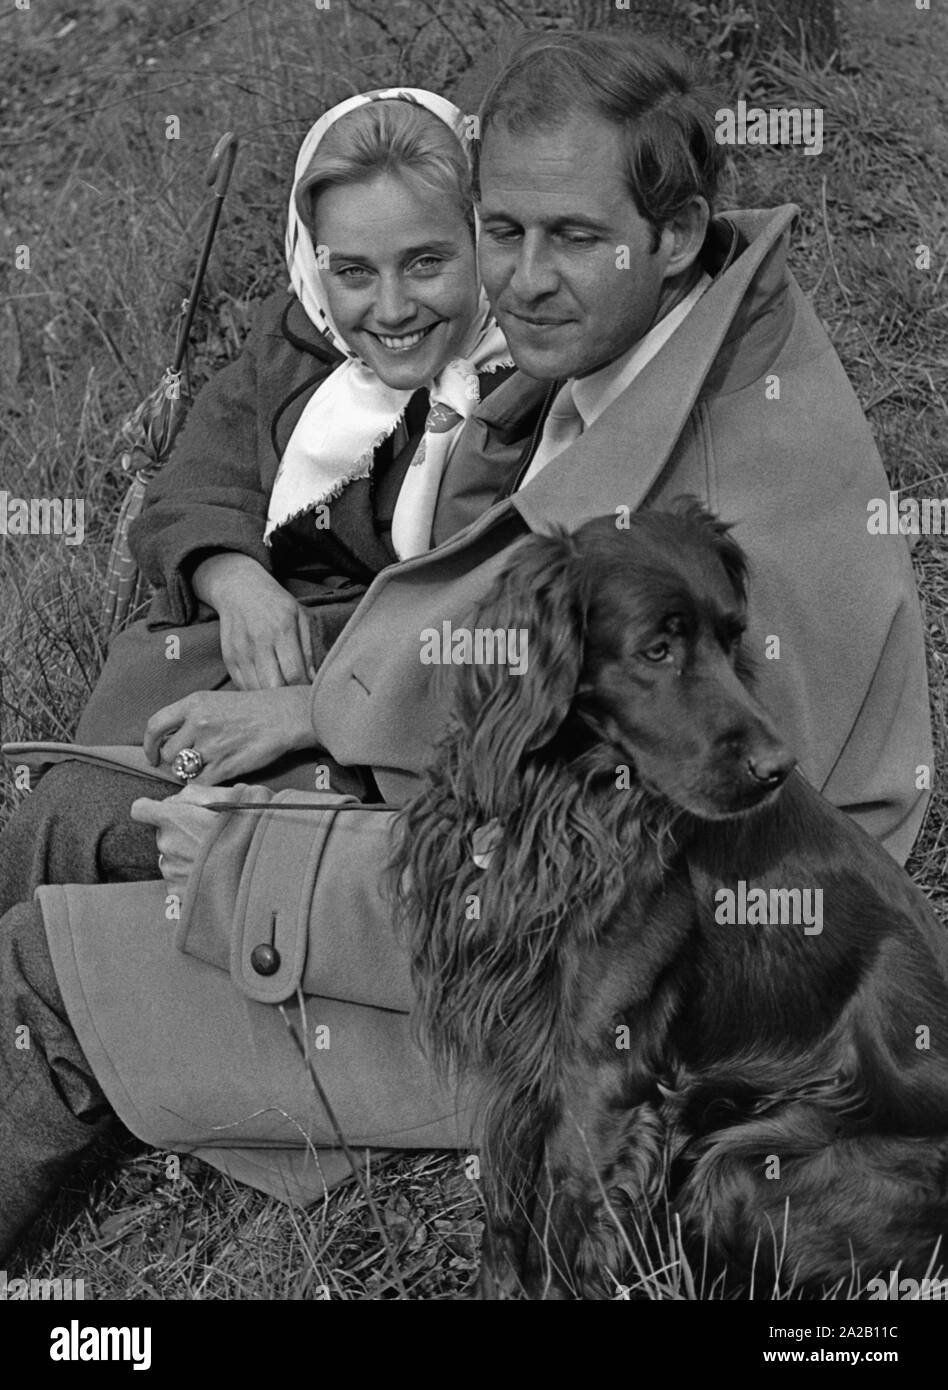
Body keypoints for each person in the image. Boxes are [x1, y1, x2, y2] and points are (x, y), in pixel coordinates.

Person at [0, 31, 933, 1261]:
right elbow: (506, 623)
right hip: (543, 846)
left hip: (658, 1012)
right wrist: (327, 707)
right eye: (504, 232)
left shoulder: (723, 485)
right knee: (67, 804)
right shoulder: (646, 346)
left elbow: (628, 899)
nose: (528, 280)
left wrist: (240, 869)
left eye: (572, 236)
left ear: (678, 229)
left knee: (42, 972)